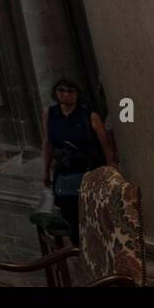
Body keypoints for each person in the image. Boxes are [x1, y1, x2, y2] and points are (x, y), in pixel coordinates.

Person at [41, 77, 116, 243]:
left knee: (95, 217)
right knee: (71, 219)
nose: (66, 95)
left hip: (87, 172)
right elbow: (47, 142)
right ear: (55, 93)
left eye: (70, 91)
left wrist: (113, 172)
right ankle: (79, 251)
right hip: (64, 174)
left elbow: (106, 147)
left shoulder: (89, 116)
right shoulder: (50, 114)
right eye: (61, 90)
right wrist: (45, 170)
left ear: (77, 94)